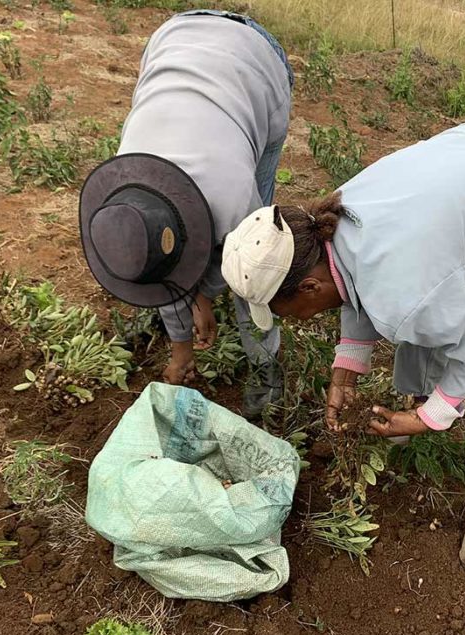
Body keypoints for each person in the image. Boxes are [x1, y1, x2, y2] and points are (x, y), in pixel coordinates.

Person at [220, 121, 465, 574]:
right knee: (425, 316)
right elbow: (356, 284)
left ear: (310, 285)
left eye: (283, 310)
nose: (286, 321)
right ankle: (421, 402)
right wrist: (345, 372)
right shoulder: (329, 227)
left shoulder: (403, 292)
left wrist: (429, 418)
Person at [78, 9, 292, 416]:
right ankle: (181, 320)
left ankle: (267, 369)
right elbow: (162, 260)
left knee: (252, 273)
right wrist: (181, 351)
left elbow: (250, 259)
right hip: (172, 41)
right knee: (156, 256)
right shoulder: (123, 191)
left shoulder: (230, 195)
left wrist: (204, 295)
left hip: (255, 64)